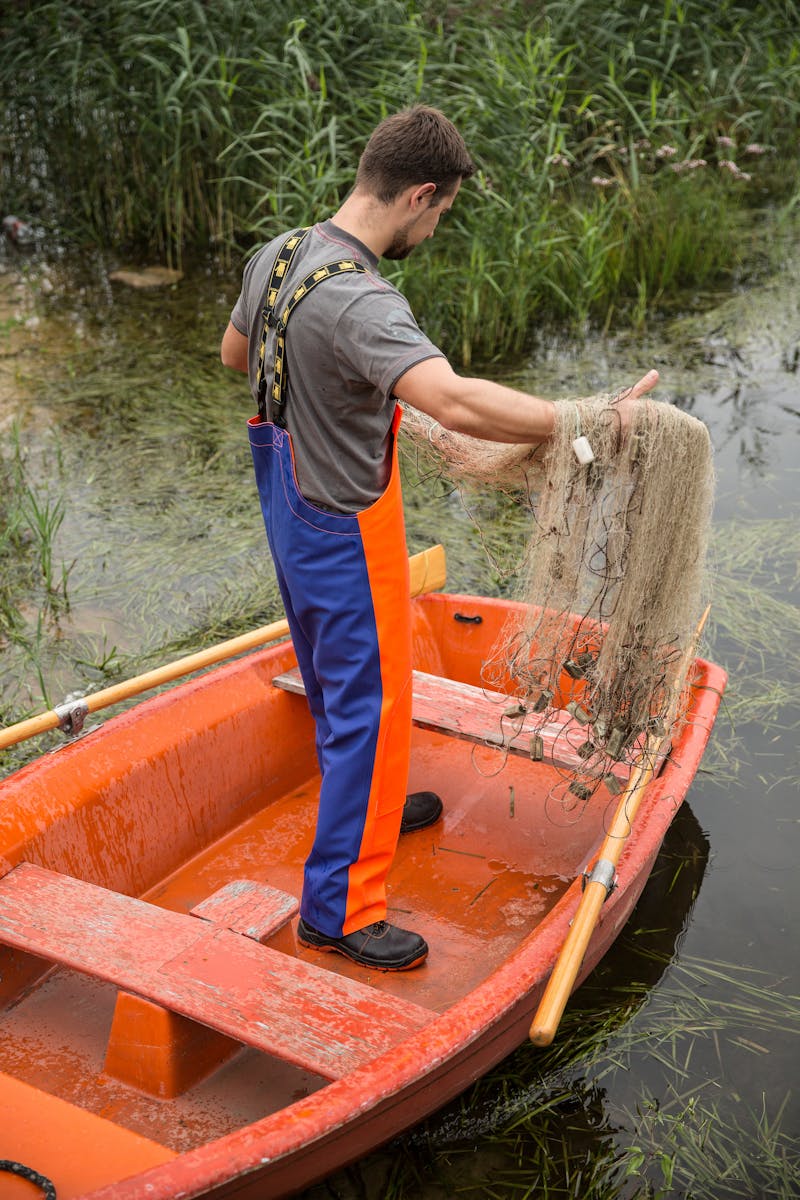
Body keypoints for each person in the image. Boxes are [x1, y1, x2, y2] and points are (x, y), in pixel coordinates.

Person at [220, 105, 658, 972]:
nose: (435, 225)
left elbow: (239, 357)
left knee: (332, 683)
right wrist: (590, 419)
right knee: (372, 708)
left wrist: (343, 392)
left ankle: (374, 808)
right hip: (345, 529)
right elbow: (454, 401)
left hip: (289, 504)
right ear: (420, 193)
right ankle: (337, 912)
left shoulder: (278, 253)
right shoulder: (361, 296)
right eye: (441, 211)